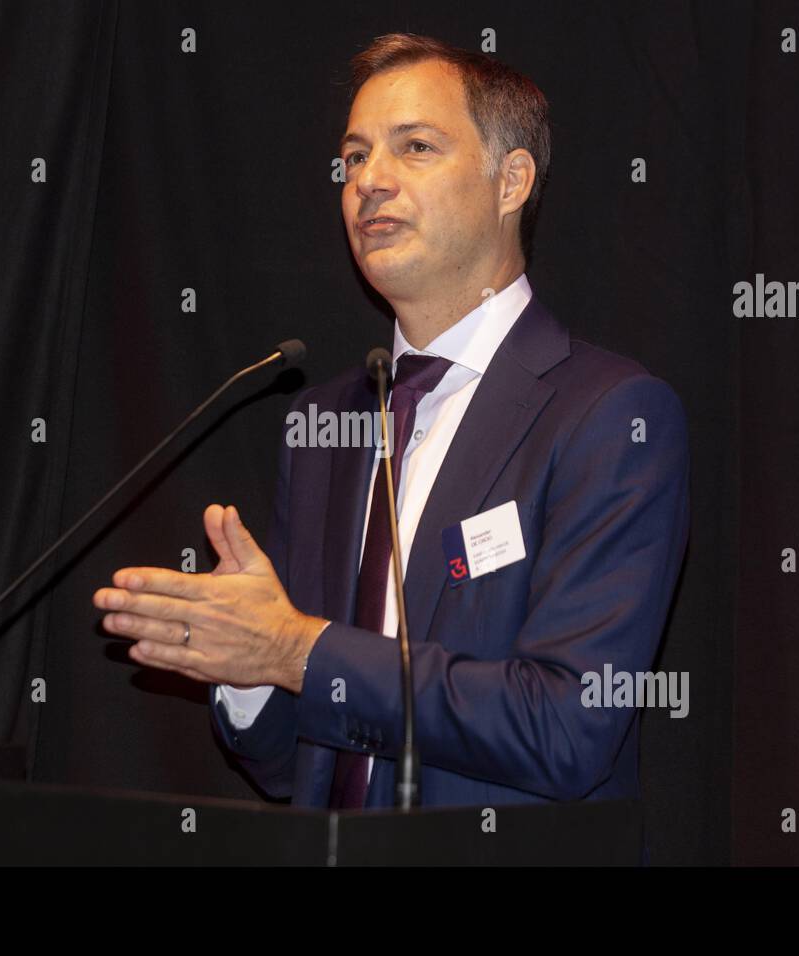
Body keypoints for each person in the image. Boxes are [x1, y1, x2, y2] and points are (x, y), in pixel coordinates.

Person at [92, 33, 689, 818]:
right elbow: (289, 768)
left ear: (511, 180)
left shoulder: (610, 416)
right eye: (355, 157)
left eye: (415, 148)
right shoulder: (326, 424)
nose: (369, 181)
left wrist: (298, 650)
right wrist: (248, 675)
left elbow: (568, 729)